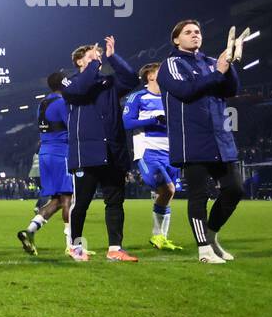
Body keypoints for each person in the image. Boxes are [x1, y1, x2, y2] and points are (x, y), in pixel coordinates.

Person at [157, 19, 248, 264]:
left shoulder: (210, 62)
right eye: (188, 32)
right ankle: (203, 250)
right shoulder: (171, 64)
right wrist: (218, 72)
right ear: (176, 39)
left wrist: (229, 65)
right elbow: (186, 91)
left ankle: (211, 236)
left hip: (220, 138)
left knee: (235, 189)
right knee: (198, 195)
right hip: (192, 140)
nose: (195, 35)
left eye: (197, 32)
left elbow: (231, 90)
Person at [59, 36, 140, 262]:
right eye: (91, 55)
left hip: (113, 151)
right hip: (86, 154)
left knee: (115, 202)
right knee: (82, 203)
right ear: (79, 61)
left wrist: (114, 58)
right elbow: (82, 88)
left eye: (98, 55)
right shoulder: (69, 82)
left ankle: (115, 248)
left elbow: (132, 79)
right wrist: (95, 63)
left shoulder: (108, 84)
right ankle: (75, 248)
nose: (97, 57)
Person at [123, 63, 182, 251]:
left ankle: (161, 238)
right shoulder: (138, 96)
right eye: (159, 71)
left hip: (171, 152)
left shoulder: (169, 97)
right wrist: (154, 119)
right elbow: (126, 122)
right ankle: (158, 236)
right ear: (149, 76)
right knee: (169, 190)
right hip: (148, 152)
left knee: (166, 194)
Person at [17, 72, 73, 256]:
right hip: (61, 153)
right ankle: (71, 245)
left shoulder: (42, 103)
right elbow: (73, 126)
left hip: (45, 154)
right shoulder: (61, 103)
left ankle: (30, 230)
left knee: (56, 200)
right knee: (68, 199)